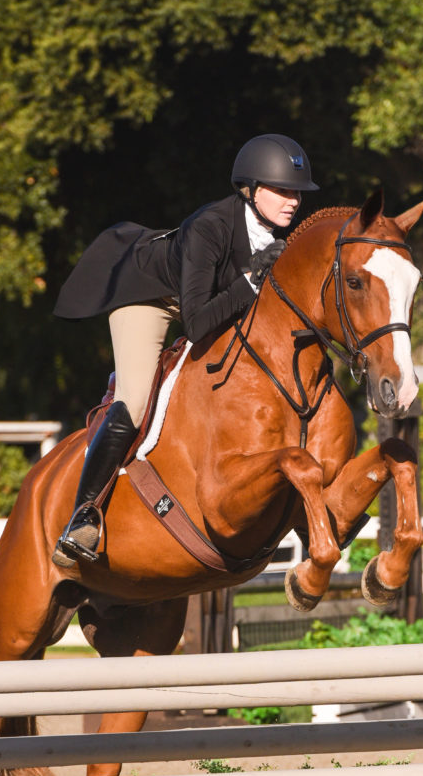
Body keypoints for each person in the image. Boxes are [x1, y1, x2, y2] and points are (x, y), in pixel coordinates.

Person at [52, 133, 319, 567]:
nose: (293, 201)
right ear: (250, 190)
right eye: (283, 190)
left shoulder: (275, 238)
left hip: (205, 300)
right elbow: (196, 324)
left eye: (297, 192)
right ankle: (84, 514)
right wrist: (252, 281)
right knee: (135, 399)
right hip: (149, 297)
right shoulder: (209, 227)